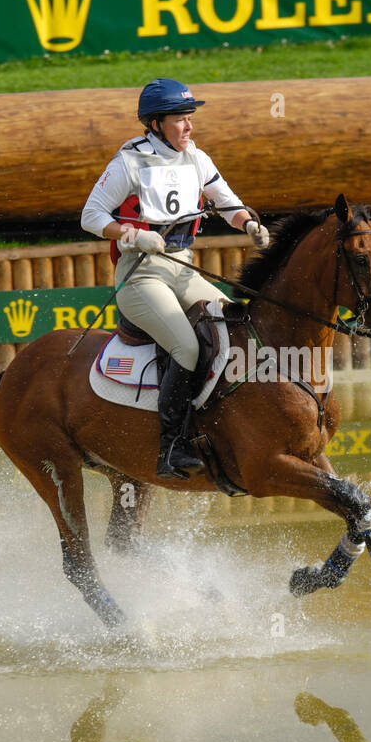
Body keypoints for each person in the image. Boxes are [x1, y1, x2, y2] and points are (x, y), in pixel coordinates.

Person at [81, 78, 269, 479]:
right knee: (186, 347)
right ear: (154, 124)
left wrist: (249, 224)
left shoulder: (197, 159)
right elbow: (91, 216)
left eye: (190, 119)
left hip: (183, 267)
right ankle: (171, 448)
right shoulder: (129, 162)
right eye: (180, 120)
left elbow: (228, 203)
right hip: (140, 275)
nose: (189, 127)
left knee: (240, 323)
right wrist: (132, 234)